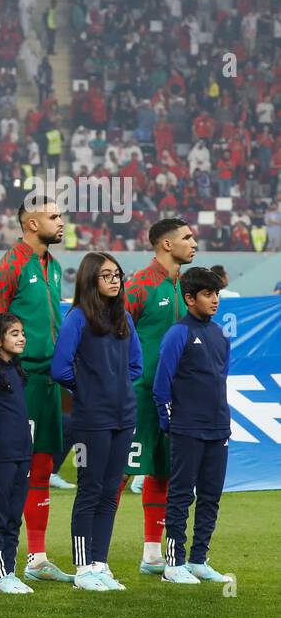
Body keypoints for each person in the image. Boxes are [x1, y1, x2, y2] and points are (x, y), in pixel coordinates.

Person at [0, 199, 73, 583]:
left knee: (41, 467)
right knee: (6, 471)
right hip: (18, 381)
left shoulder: (53, 267)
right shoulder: (11, 265)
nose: (61, 222)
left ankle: (36, 556)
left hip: (48, 381)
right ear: (31, 223)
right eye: (54, 217)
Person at [51, 253, 143, 592]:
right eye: (106, 275)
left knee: (110, 491)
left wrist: (114, 387)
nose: (115, 280)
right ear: (91, 280)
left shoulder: (124, 318)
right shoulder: (77, 318)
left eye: (117, 274)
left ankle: (100, 564)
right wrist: (88, 391)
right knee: (90, 490)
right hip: (91, 420)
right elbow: (59, 368)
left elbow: (136, 367)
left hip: (123, 416)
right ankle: (82, 568)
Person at [124, 218, 196, 574]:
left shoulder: (185, 287)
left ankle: (152, 554)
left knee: (164, 472)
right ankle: (90, 558)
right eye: (187, 237)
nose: (193, 242)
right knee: (115, 472)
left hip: (175, 398)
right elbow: (115, 333)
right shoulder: (139, 285)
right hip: (137, 395)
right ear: (166, 245)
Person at [153, 267, 232, 585]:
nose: (215, 300)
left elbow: (220, 379)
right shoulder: (178, 334)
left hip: (218, 428)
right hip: (187, 428)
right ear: (189, 298)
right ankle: (174, 564)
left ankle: (199, 559)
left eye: (217, 294)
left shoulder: (219, 334)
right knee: (181, 495)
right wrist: (168, 421)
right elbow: (162, 383)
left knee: (211, 495)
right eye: (207, 294)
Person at [0, 312, 35, 594]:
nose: (21, 337)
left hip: (21, 453)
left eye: (22, 332)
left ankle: (9, 571)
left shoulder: (17, 371)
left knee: (14, 515)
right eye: (14, 333)